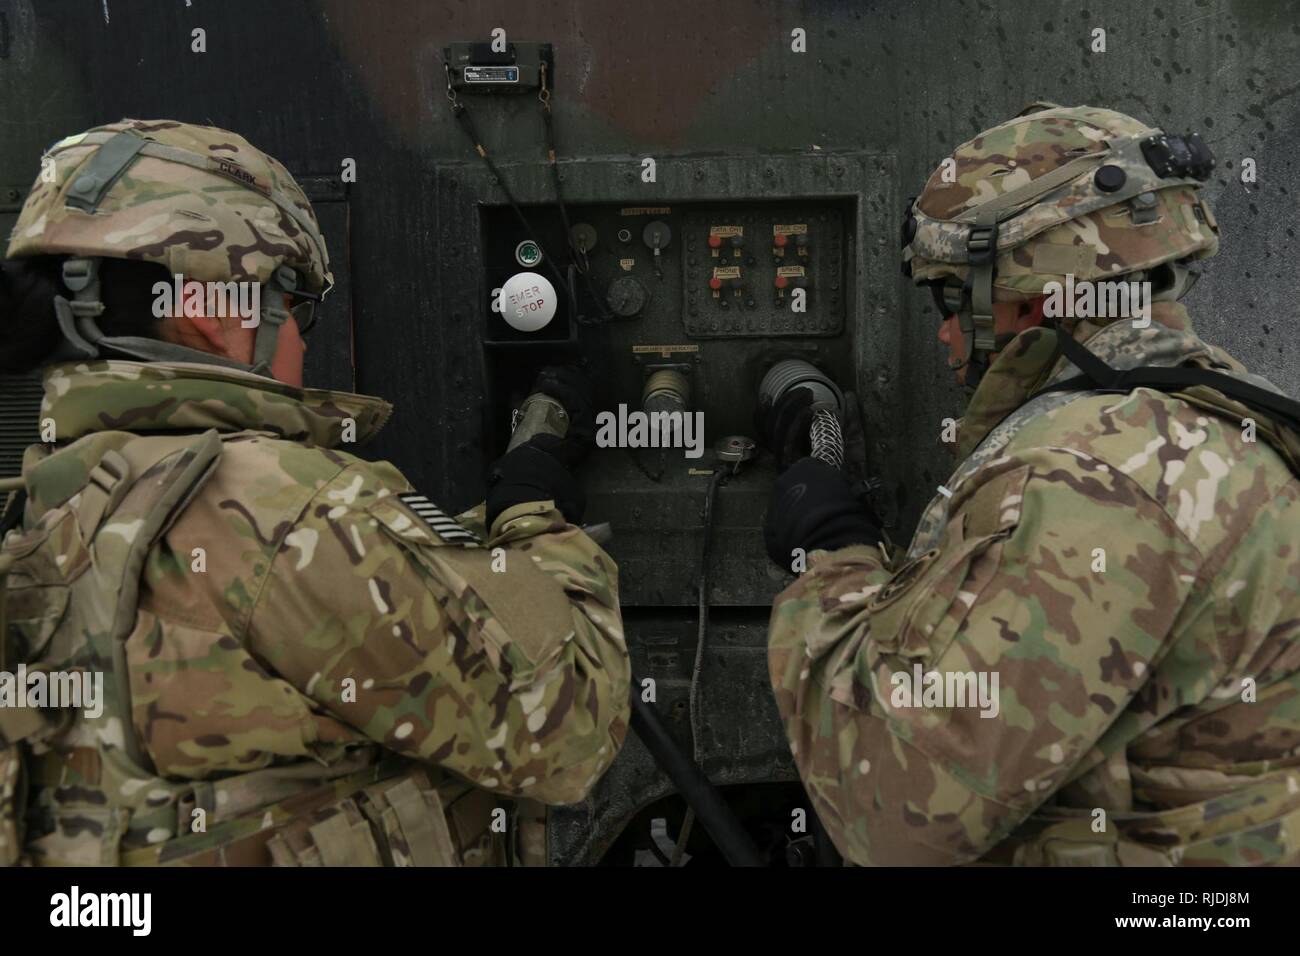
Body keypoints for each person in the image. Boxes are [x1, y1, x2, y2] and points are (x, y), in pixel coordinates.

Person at [0, 119, 629, 867]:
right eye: (294, 301)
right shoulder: (284, 508)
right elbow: (571, 723)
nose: (301, 338)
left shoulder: (49, 504)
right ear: (212, 305)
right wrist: (534, 517)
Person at [760, 103, 1300, 866]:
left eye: (952, 303)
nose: (947, 335)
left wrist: (833, 558)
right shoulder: (1200, 417)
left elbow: (898, 813)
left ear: (1035, 289)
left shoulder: (1095, 474)